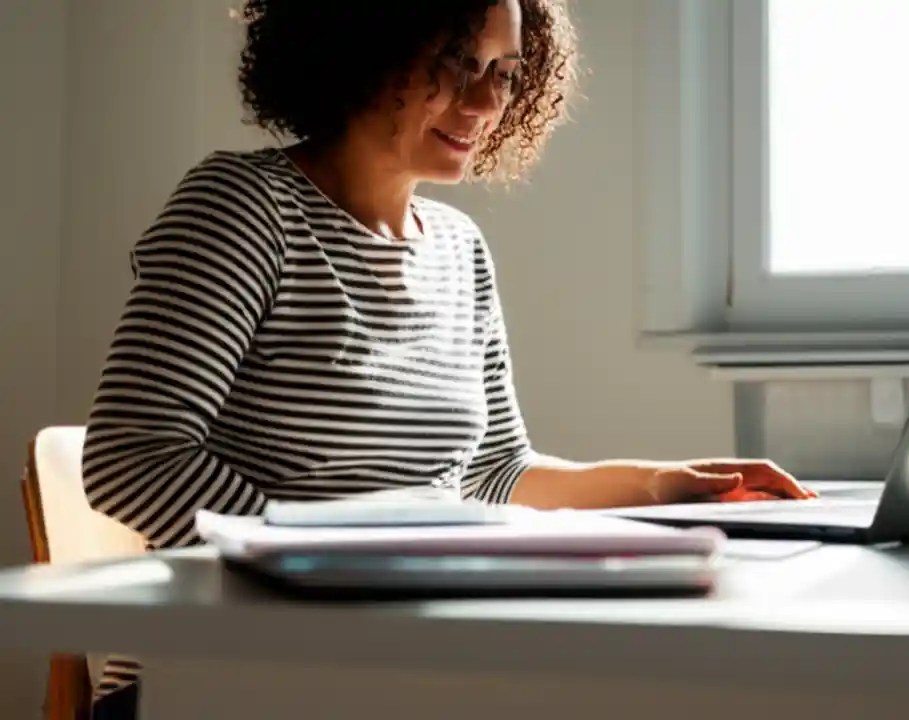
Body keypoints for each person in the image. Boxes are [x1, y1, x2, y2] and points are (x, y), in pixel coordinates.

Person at [82, 2, 812, 717]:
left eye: (504, 71)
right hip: (217, 678)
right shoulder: (243, 209)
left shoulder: (459, 251)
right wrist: (329, 578)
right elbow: (132, 457)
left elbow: (495, 472)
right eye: (456, 65)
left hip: (393, 666)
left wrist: (663, 484)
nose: (487, 100)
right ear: (362, 48)